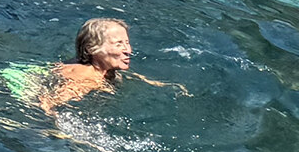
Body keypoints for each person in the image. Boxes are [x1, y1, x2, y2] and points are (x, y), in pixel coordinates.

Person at [15, 18, 181, 114]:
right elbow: (46, 102)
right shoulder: (88, 80)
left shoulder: (99, 66)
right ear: (92, 49)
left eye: (127, 42)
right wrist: (58, 129)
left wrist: (157, 84)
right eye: (118, 44)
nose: (128, 50)